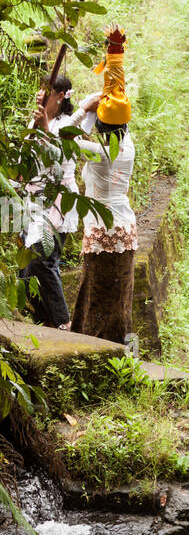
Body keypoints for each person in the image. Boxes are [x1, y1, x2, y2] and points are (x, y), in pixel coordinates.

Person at [71, 29, 138, 344]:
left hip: (102, 230)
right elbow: (118, 114)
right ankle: (118, 349)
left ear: (98, 126)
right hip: (125, 228)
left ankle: (95, 348)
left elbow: (62, 138)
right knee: (118, 298)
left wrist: (84, 107)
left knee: (97, 296)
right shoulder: (128, 146)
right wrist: (114, 60)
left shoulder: (97, 154)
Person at [22, 74, 80, 329]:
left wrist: (45, 128)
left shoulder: (68, 125)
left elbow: (63, 162)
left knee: (44, 261)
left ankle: (63, 323)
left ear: (59, 96)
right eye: (39, 90)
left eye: (45, 91)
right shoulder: (37, 119)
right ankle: (43, 320)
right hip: (33, 197)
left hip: (58, 198)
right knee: (26, 267)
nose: (39, 95)